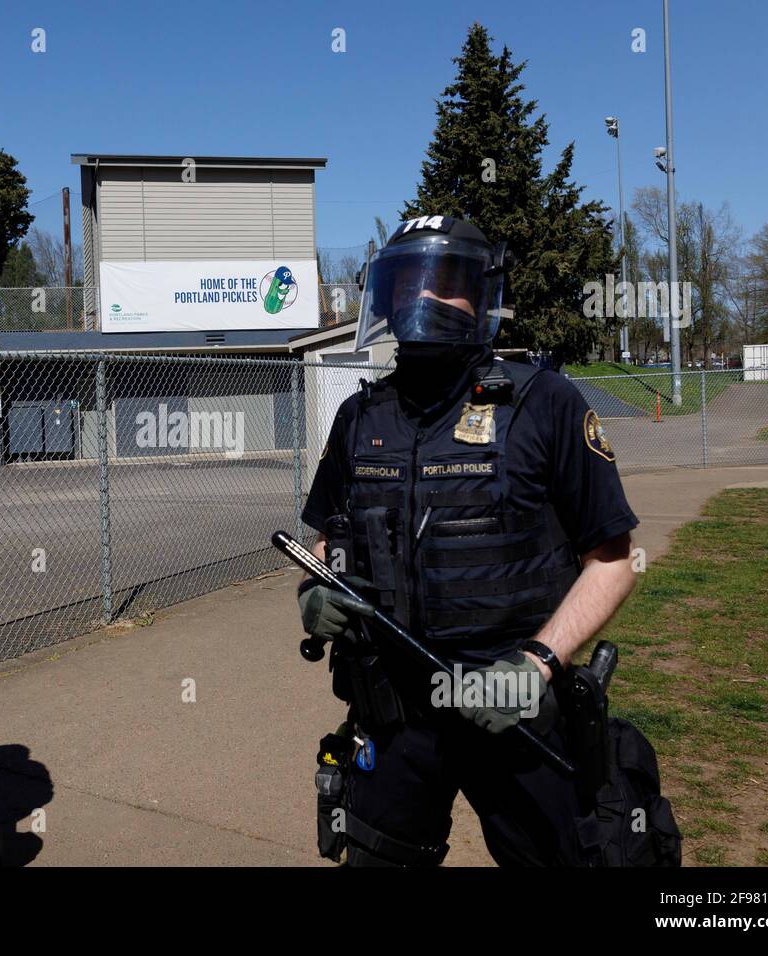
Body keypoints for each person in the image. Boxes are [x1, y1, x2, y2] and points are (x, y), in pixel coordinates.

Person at [298, 214, 643, 866]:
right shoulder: (361, 417)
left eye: (446, 282)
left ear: (482, 297)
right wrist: (318, 589)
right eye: (408, 283)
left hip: (514, 711)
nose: (424, 297)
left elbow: (613, 560)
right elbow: (327, 542)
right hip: (395, 713)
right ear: (384, 296)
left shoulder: (544, 403)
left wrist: (538, 663)